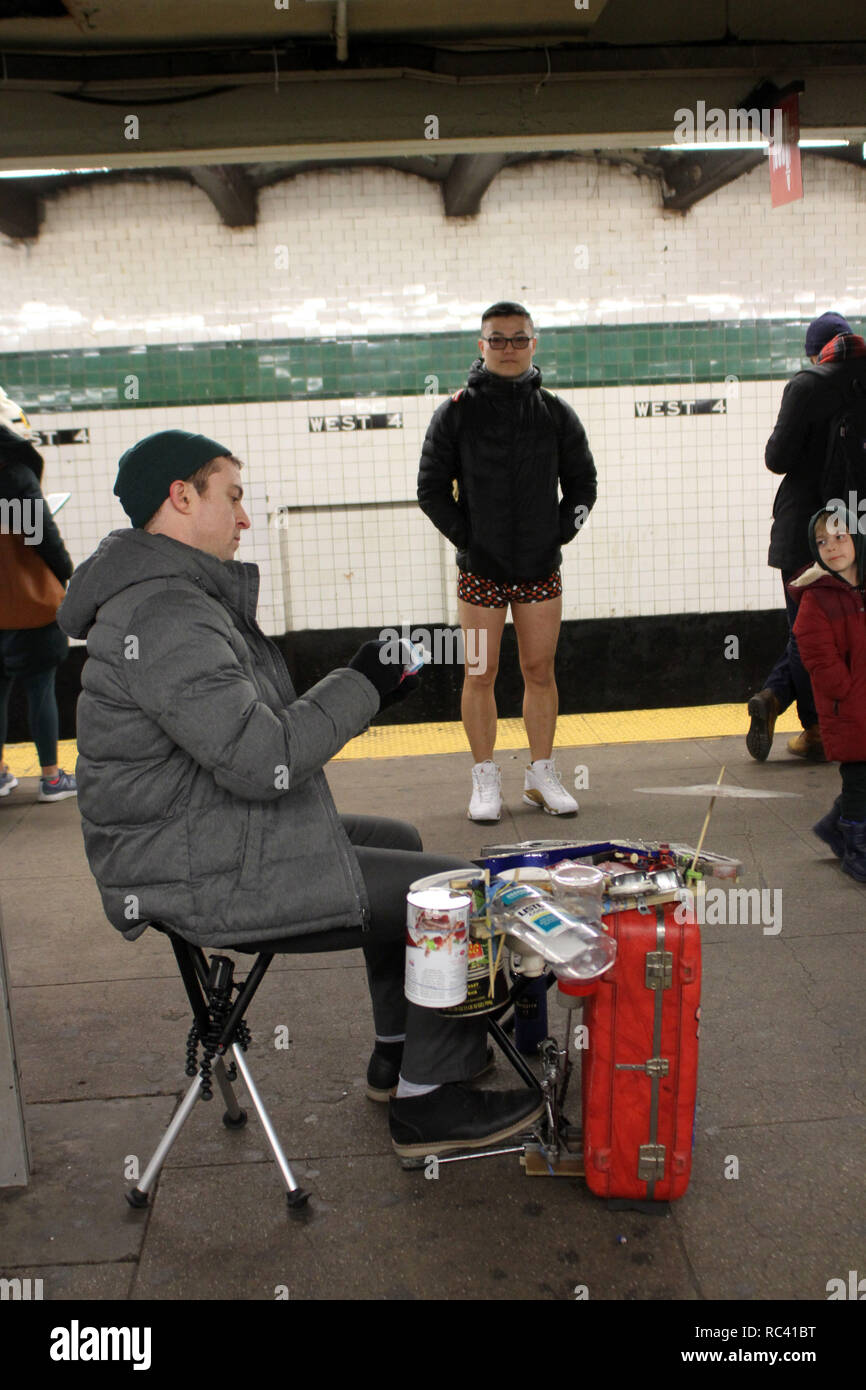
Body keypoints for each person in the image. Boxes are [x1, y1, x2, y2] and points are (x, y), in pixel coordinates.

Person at [57, 429, 543, 1162]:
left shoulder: (168, 596)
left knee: (403, 842)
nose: (245, 517)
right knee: (457, 893)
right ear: (181, 497)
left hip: (198, 834)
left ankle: (399, 1054)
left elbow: (247, 735)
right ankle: (433, 1102)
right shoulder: (163, 614)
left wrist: (363, 682)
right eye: (233, 496)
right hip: (196, 866)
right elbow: (262, 762)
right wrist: (365, 684)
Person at [417, 301, 597, 822]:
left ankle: (542, 775)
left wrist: (558, 535)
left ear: (533, 344)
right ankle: (485, 779)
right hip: (481, 573)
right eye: (497, 339)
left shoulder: (557, 413)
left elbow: (584, 486)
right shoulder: (455, 412)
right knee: (480, 671)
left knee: (539, 669)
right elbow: (430, 489)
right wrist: (468, 541)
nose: (509, 348)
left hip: (541, 570)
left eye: (519, 338)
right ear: (481, 346)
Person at [747, 312, 866, 762]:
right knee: (845, 628)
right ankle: (776, 697)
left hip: (807, 529)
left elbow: (777, 458)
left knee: (808, 628)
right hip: (858, 526)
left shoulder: (807, 384)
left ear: (817, 351)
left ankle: (817, 729)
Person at [0, 388, 77, 802]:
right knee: (39, 688)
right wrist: (67, 573)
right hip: (26, 605)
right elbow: (37, 535)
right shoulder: (12, 474)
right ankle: (50, 777)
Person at [790, 507, 866, 881]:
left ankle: (835, 826)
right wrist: (843, 689)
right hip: (849, 707)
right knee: (859, 778)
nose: (832, 547)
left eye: (840, 537)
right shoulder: (816, 596)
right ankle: (858, 849)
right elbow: (816, 653)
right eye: (822, 541)